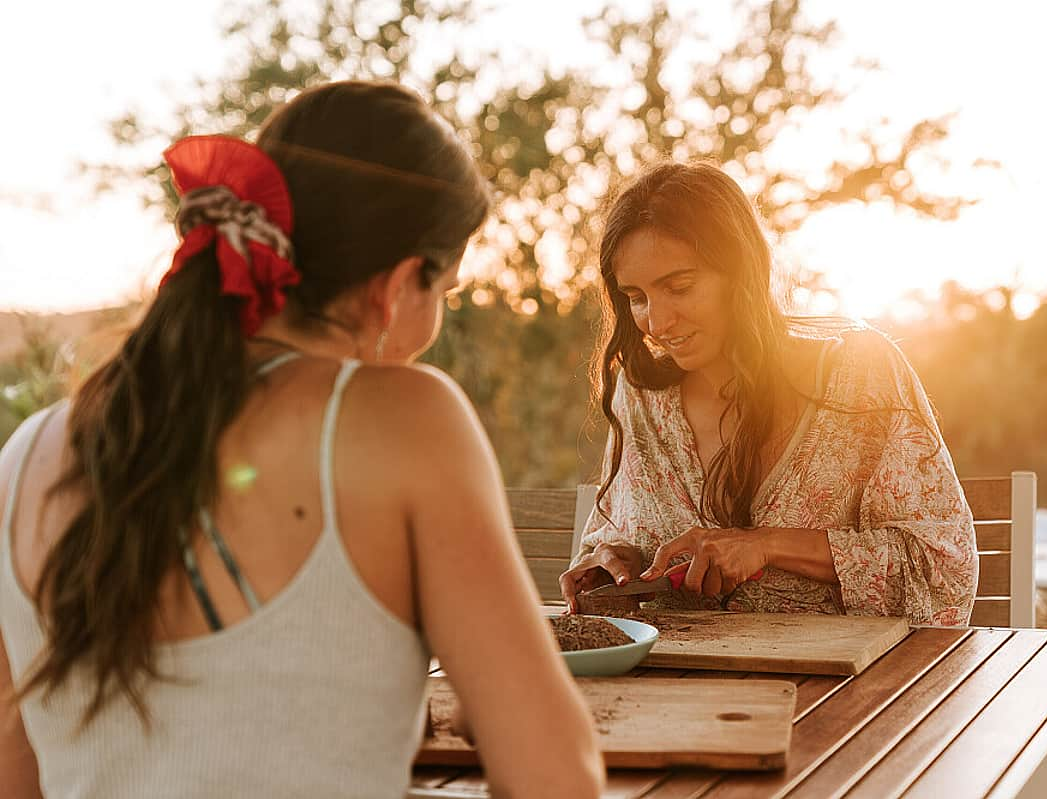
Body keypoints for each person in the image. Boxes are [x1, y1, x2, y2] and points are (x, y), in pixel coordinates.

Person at [0, 81, 603, 799]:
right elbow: (557, 778)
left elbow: (17, 773)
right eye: (444, 292)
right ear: (403, 281)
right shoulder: (409, 421)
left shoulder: (26, 455)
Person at [559, 162, 977, 626]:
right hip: (672, 684)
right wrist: (611, 568)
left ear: (741, 271)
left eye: (679, 287)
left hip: (844, 687)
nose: (656, 324)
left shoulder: (860, 373)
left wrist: (766, 544)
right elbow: (613, 538)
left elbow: (942, 567)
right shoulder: (639, 398)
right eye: (636, 297)